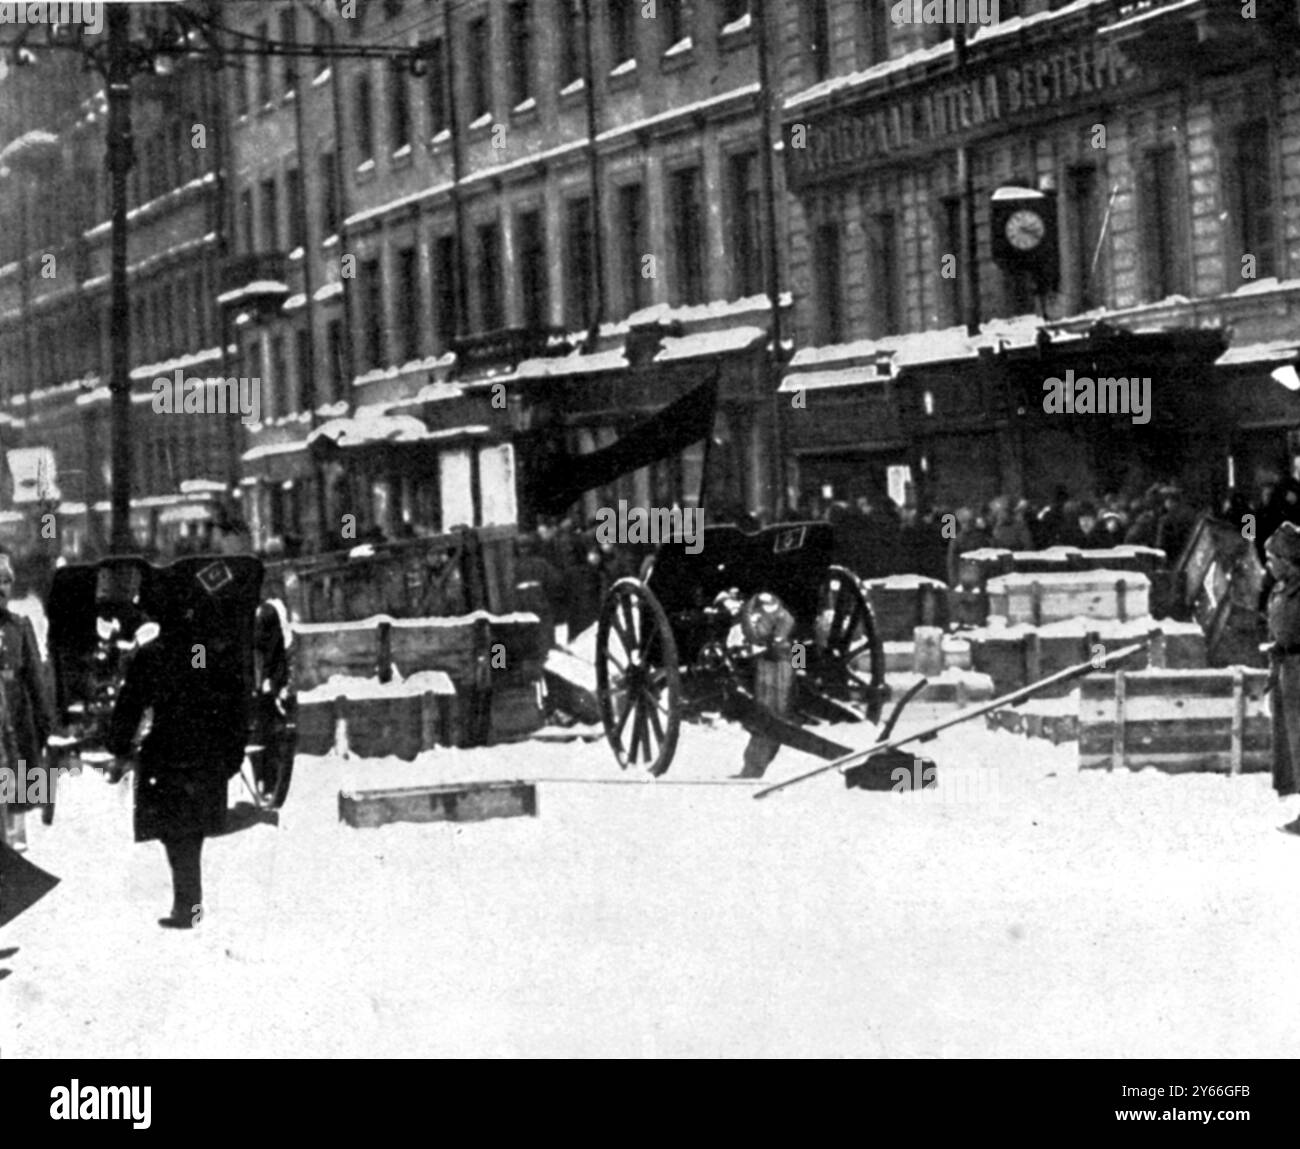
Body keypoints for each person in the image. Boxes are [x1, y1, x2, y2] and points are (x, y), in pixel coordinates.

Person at [105, 574, 249, 929]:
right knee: (190, 833)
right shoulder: (206, 652)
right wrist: (232, 753)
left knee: (176, 834)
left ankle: (189, 906)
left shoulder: (153, 654)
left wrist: (119, 745)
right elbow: (233, 703)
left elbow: (130, 704)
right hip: (204, 754)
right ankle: (190, 904)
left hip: (168, 757)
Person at [0, 550, 56, 842]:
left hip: (16, 719)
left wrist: (45, 726)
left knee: (16, 789)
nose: (2, 590)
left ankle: (14, 841)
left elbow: (35, 680)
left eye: (6, 583)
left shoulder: (19, 627)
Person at [1264, 522, 1300, 834]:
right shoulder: (1281, 587)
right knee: (1294, 744)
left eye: (1272, 558)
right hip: (1288, 668)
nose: (1268, 564)